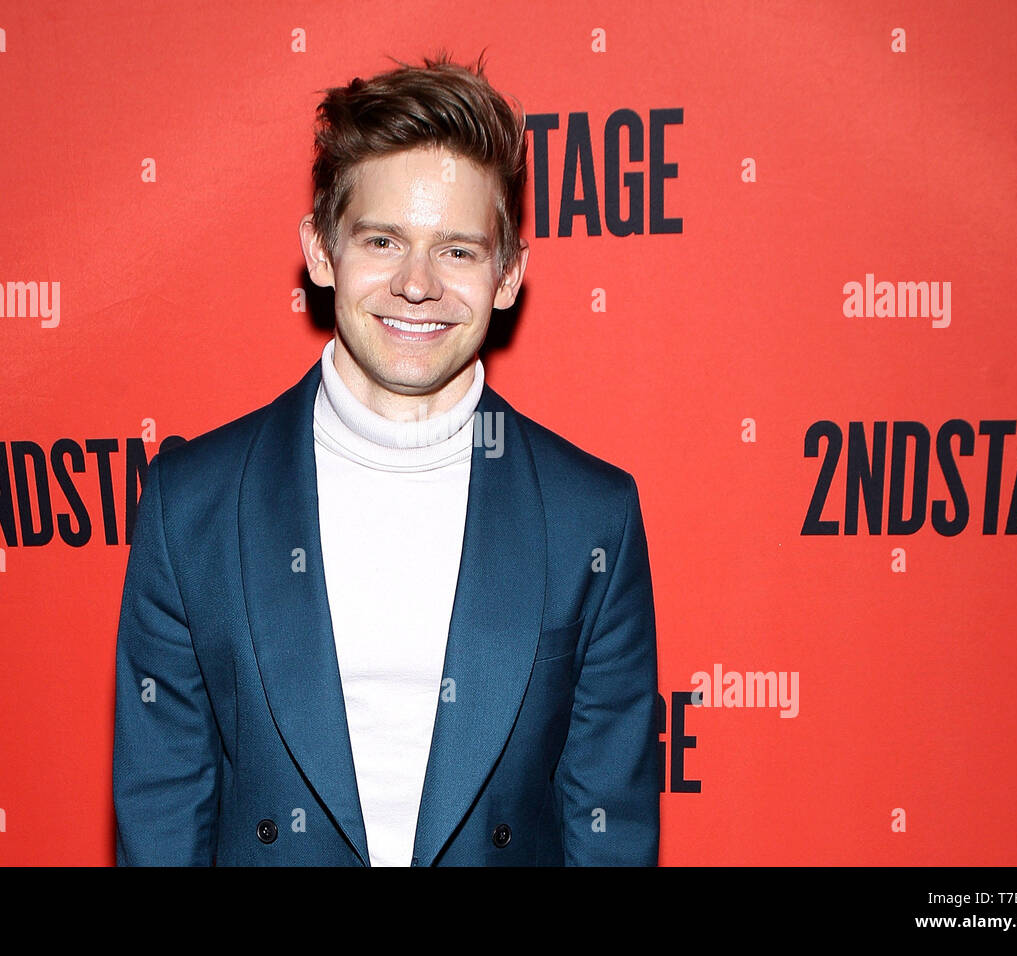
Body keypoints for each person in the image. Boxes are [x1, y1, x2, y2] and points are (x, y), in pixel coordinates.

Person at [112, 52, 660, 866]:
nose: (417, 285)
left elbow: (608, 827)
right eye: (382, 240)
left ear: (509, 274)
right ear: (321, 252)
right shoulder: (191, 506)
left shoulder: (592, 515)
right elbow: (162, 817)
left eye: (459, 251)